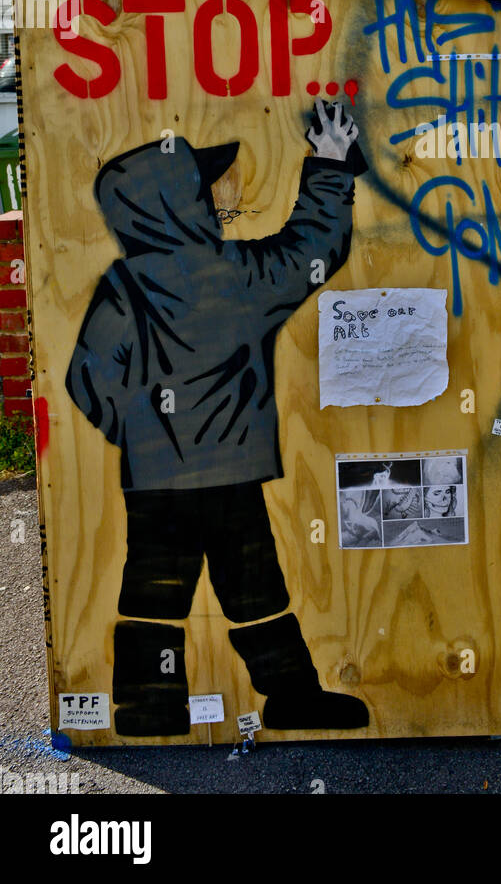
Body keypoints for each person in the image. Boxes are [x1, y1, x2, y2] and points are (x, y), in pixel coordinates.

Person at [66, 100, 369, 735]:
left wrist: (144, 434)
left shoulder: (122, 290)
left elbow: (88, 379)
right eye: (202, 194)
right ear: (181, 208)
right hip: (233, 472)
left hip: (155, 481)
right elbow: (313, 247)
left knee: (153, 592)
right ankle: (291, 696)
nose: (213, 201)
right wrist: (332, 166)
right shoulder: (239, 276)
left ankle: (148, 708)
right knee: (255, 589)